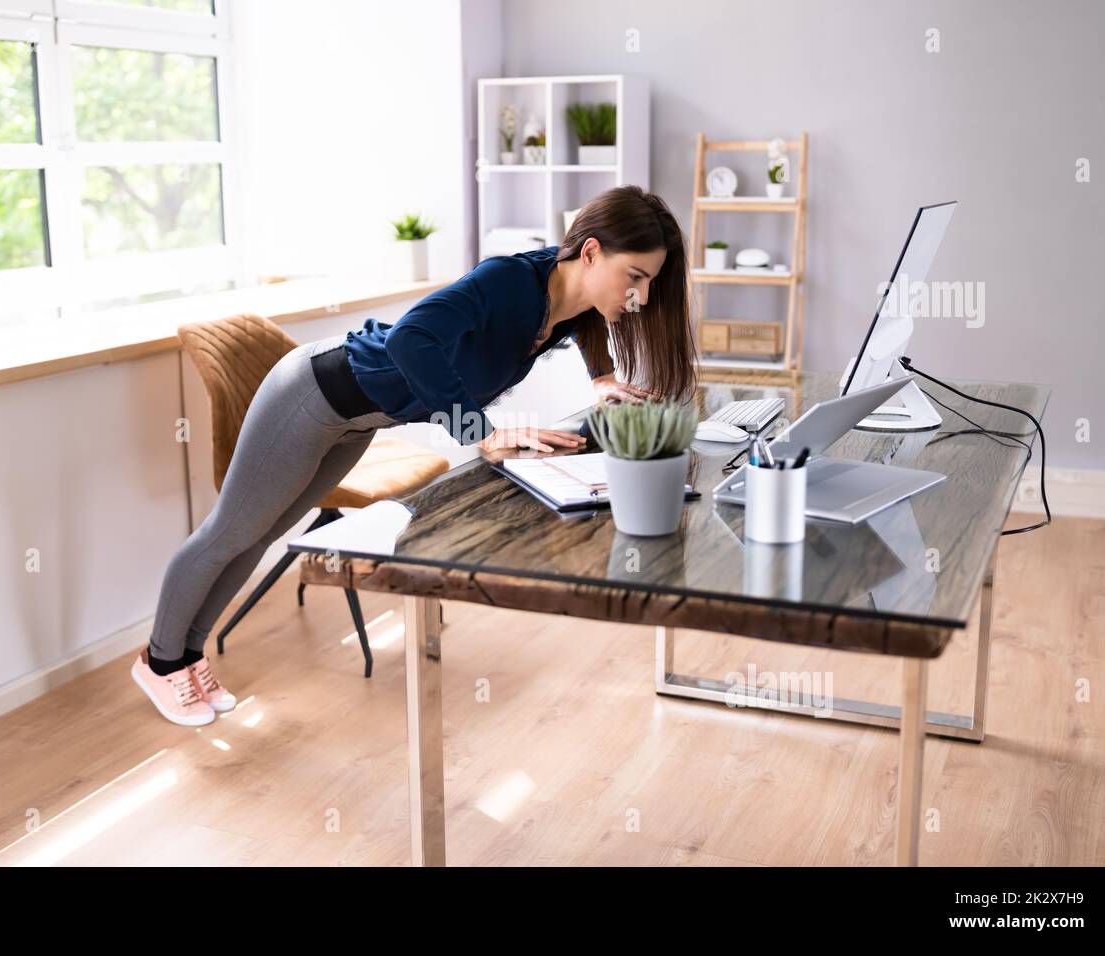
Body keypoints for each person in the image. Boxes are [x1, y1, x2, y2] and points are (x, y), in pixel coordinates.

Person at [132, 184, 699, 724]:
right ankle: (159, 662)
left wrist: (601, 378)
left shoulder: (566, 303)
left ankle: (189, 655)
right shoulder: (509, 280)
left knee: (260, 534)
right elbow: (410, 339)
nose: (642, 296)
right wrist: (478, 430)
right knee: (230, 532)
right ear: (593, 253)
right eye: (636, 277)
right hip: (310, 393)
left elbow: (582, 326)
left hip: (356, 422)